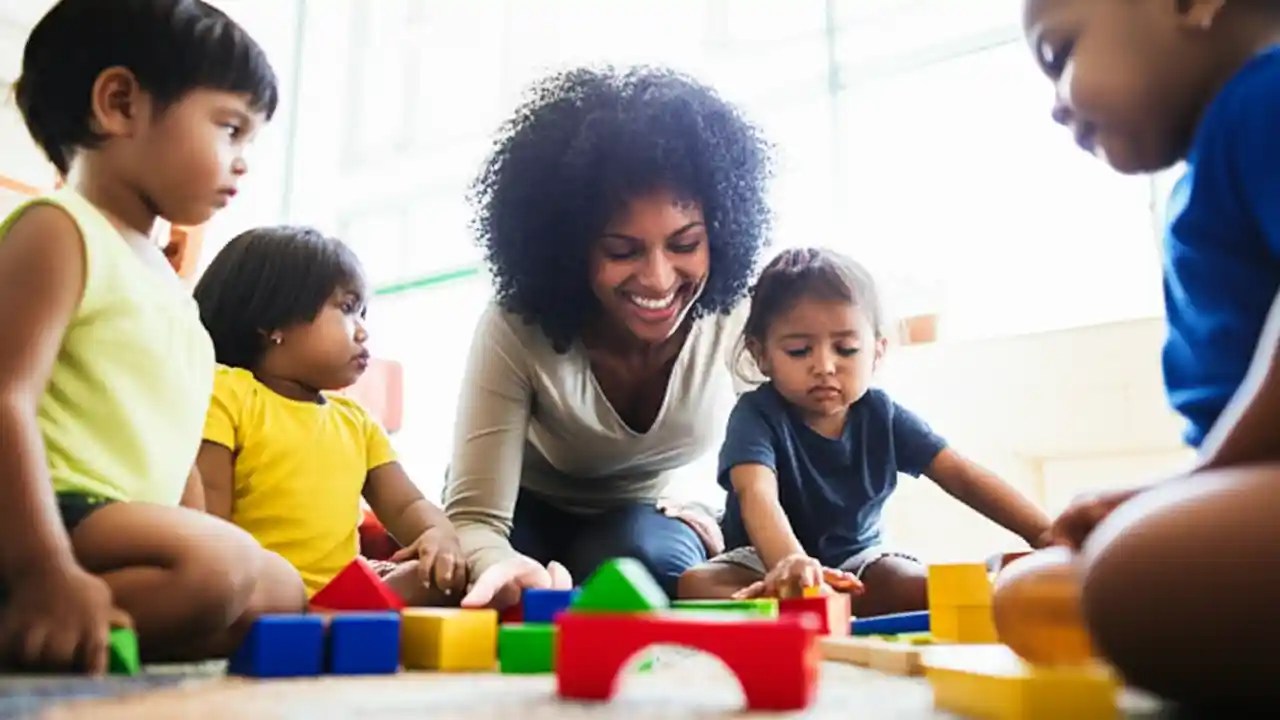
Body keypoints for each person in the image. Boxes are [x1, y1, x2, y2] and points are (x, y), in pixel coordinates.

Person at [0, 0, 304, 673]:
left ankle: (100, 628)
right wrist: (41, 568)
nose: (244, 161)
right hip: (46, 516)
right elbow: (5, 397)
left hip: (125, 527)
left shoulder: (169, 286)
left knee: (277, 587)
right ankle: (36, 610)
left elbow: (178, 457)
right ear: (119, 104)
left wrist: (211, 540)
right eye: (230, 128)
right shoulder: (59, 230)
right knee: (219, 568)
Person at [1023, 0, 1280, 705]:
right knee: (1033, 584)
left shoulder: (1266, 99)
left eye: (1059, 54)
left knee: (1134, 575)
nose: (1054, 104)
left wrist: (1196, 484)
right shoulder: (1224, 144)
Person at [447, 66, 774, 607]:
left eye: (685, 244)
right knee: (484, 588)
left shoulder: (740, 319)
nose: (658, 278)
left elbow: (783, 452)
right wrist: (498, 564)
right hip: (520, 513)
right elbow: (476, 517)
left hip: (641, 521)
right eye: (623, 251)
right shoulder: (516, 325)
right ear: (572, 250)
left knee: (645, 566)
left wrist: (712, 514)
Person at [676, 248, 1052, 613]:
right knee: (695, 584)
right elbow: (757, 493)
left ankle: (830, 604)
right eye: (799, 351)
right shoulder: (756, 414)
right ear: (762, 355)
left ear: (877, 351)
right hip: (764, 559)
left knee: (912, 583)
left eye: (846, 348)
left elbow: (961, 475)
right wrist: (790, 563)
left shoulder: (882, 415)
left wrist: (1044, 533)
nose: (824, 365)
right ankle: (812, 604)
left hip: (859, 561)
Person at [194, 227, 467, 604]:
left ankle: (330, 619)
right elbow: (208, 519)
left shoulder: (356, 420)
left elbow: (406, 505)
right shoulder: (227, 391)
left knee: (447, 579)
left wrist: (439, 535)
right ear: (273, 323)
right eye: (346, 307)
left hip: (342, 593)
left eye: (362, 313)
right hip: (257, 593)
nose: (363, 331)